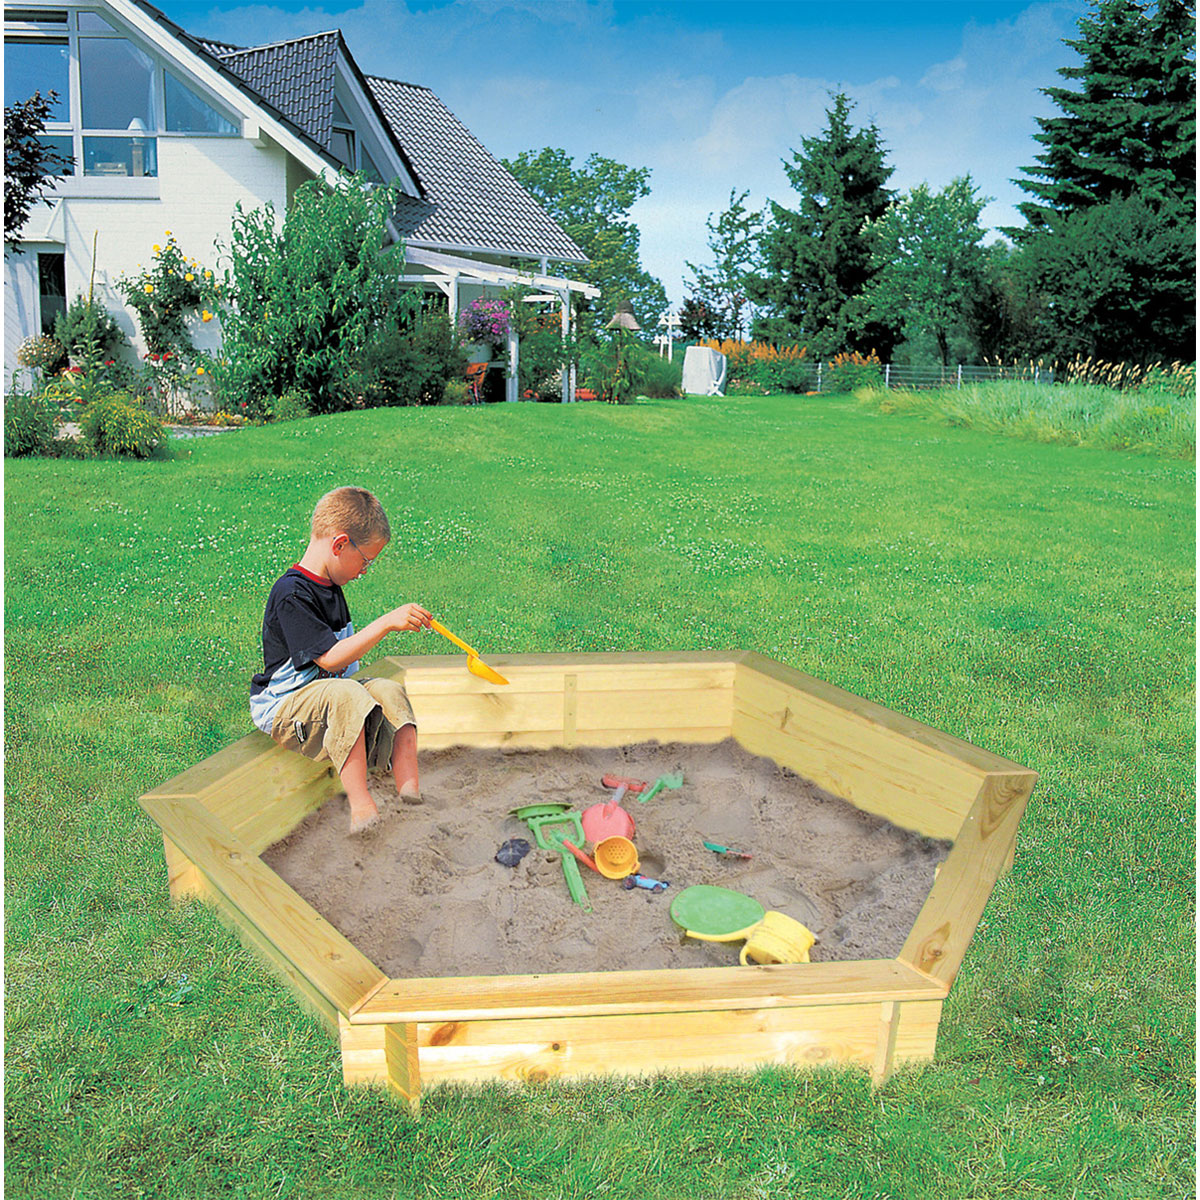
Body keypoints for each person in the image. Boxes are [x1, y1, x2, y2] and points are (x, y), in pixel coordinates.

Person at [250, 486, 431, 834]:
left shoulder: (331, 586)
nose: (365, 570)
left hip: (327, 696)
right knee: (347, 695)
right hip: (286, 708)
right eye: (366, 560)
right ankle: (362, 809)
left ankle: (410, 794)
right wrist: (386, 623)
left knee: (389, 690)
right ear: (339, 544)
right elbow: (331, 660)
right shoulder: (291, 594)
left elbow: (342, 672)